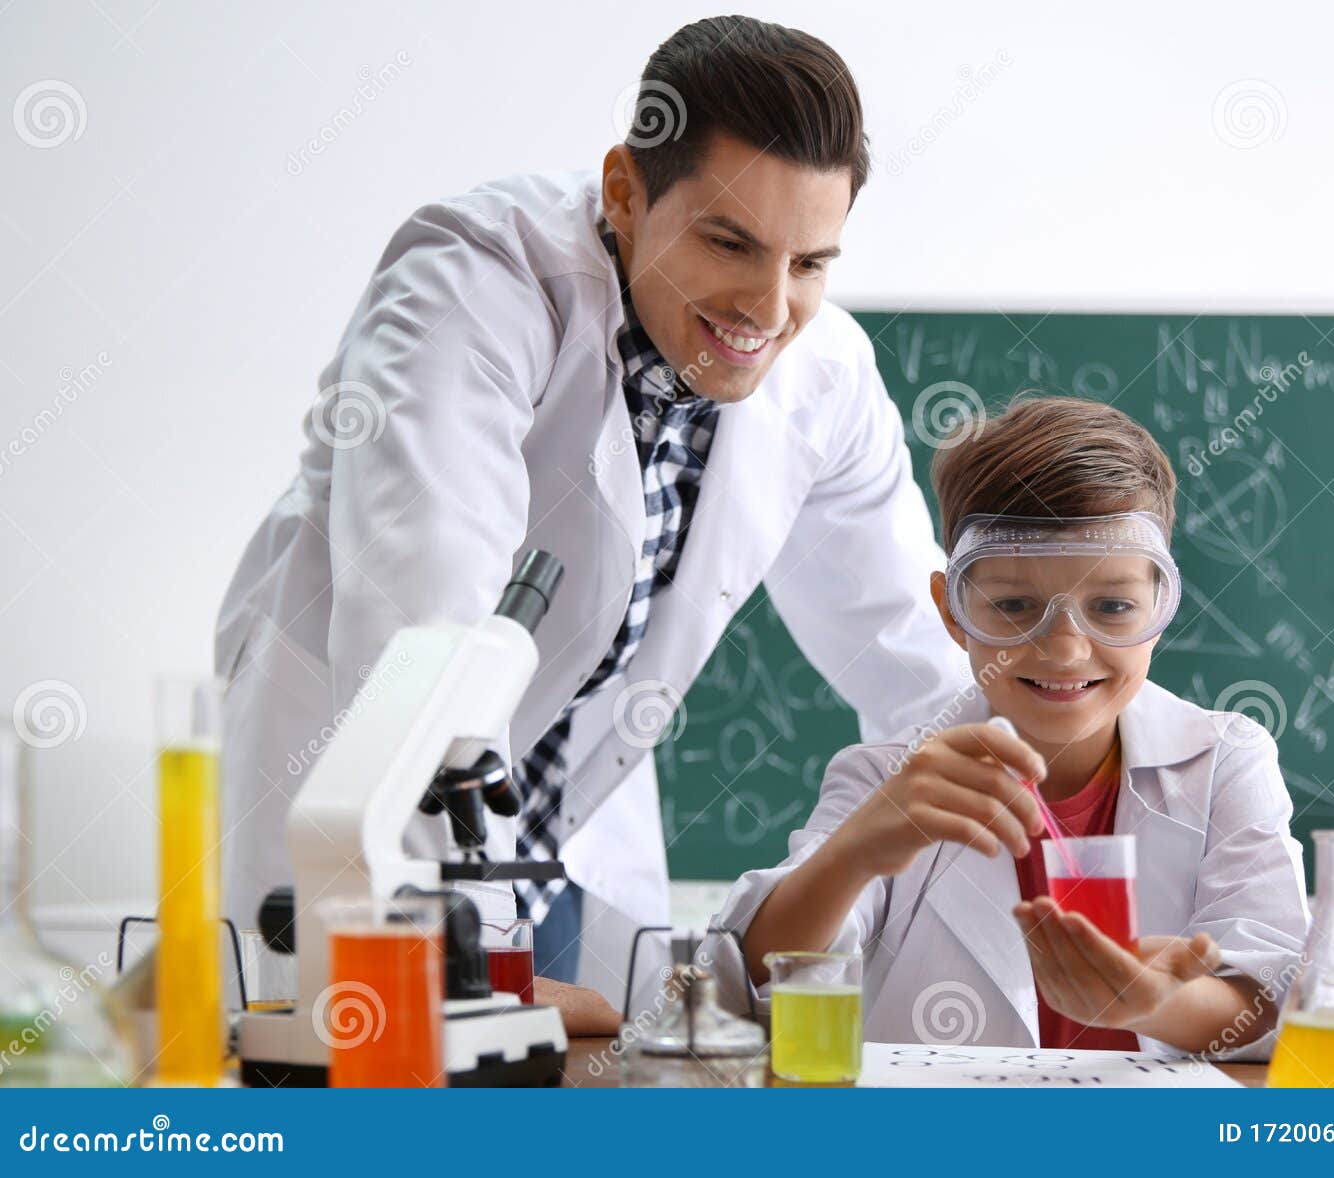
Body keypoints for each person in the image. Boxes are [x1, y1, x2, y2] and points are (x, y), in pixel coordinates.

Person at [213, 16, 973, 994]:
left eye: (810, 263)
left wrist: (1059, 793)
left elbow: (916, 660)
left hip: (569, 818)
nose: (767, 305)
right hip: (364, 769)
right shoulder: (472, 279)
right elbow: (425, 622)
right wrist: (479, 969)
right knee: (364, 1082)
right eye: (729, 241)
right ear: (625, 191)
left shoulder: (824, 375)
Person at [711, 397, 1310, 1055]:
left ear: (1161, 607)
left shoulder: (1224, 761)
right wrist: (852, 853)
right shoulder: (887, 777)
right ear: (951, 610)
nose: (1065, 650)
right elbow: (747, 990)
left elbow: (1273, 995)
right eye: (1014, 605)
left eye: (1112, 607)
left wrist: (1153, 1003)